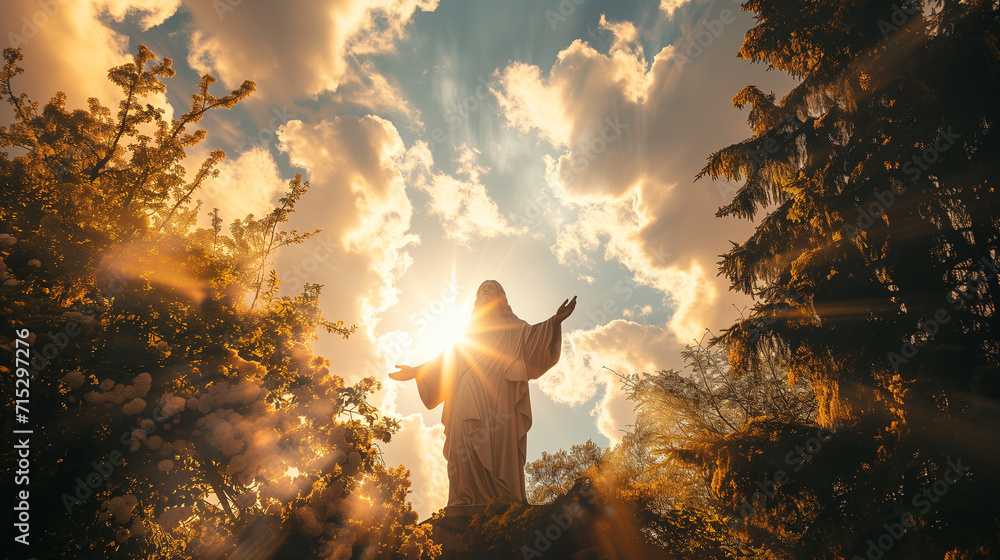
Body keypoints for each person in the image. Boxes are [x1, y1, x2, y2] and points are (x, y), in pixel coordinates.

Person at [390, 280, 577, 517]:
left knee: (500, 447)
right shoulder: (467, 333)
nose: (486, 292)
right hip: (466, 390)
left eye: (492, 289)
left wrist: (555, 322)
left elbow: (534, 341)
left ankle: (504, 499)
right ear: (477, 300)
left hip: (501, 396)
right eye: (482, 290)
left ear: (501, 297)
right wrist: (417, 371)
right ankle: (464, 498)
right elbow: (444, 360)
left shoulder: (515, 327)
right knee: (462, 442)